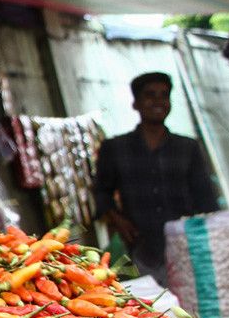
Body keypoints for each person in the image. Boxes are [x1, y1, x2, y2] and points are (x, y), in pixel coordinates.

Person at [94, 72, 220, 285]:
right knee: (153, 307)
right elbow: (101, 192)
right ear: (136, 103)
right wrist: (118, 220)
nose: (158, 101)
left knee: (191, 305)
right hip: (142, 246)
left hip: (186, 246)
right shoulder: (115, 148)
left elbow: (205, 197)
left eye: (164, 95)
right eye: (150, 95)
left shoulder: (187, 147)